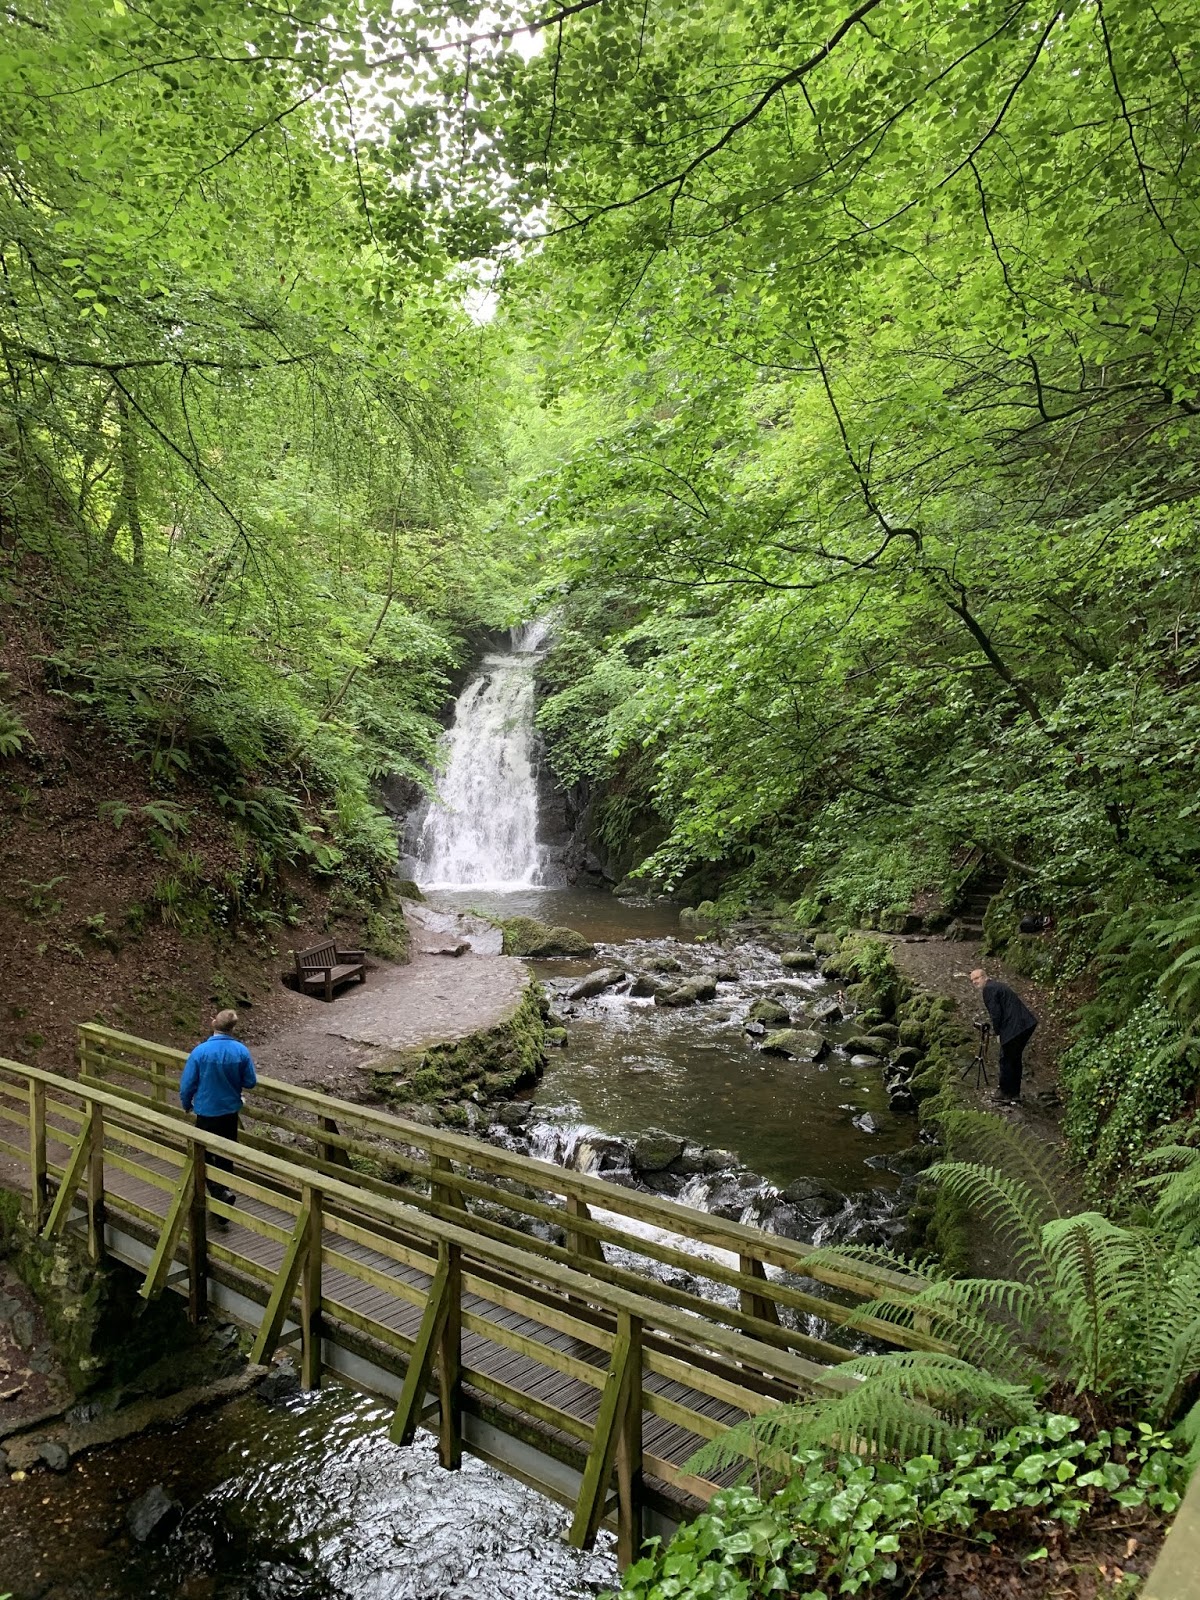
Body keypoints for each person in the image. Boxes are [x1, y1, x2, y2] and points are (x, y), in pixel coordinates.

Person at [180, 1009, 257, 1218]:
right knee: (225, 1156)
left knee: (202, 1155)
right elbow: (250, 1081)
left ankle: (217, 1193)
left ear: (214, 1023)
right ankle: (223, 1195)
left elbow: (187, 1084)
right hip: (229, 1111)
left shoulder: (200, 1052)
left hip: (206, 1111)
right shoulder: (240, 1051)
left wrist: (186, 1103)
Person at [969, 969, 1037, 1104]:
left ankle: (1004, 1092)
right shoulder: (997, 986)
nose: (975, 982)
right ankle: (1014, 1093)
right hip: (1026, 1024)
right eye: (972, 980)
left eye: (976, 978)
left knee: (1005, 1058)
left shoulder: (988, 989)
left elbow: (996, 1013)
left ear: (984, 977)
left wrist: (998, 1032)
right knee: (1014, 1059)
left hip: (1015, 1027)